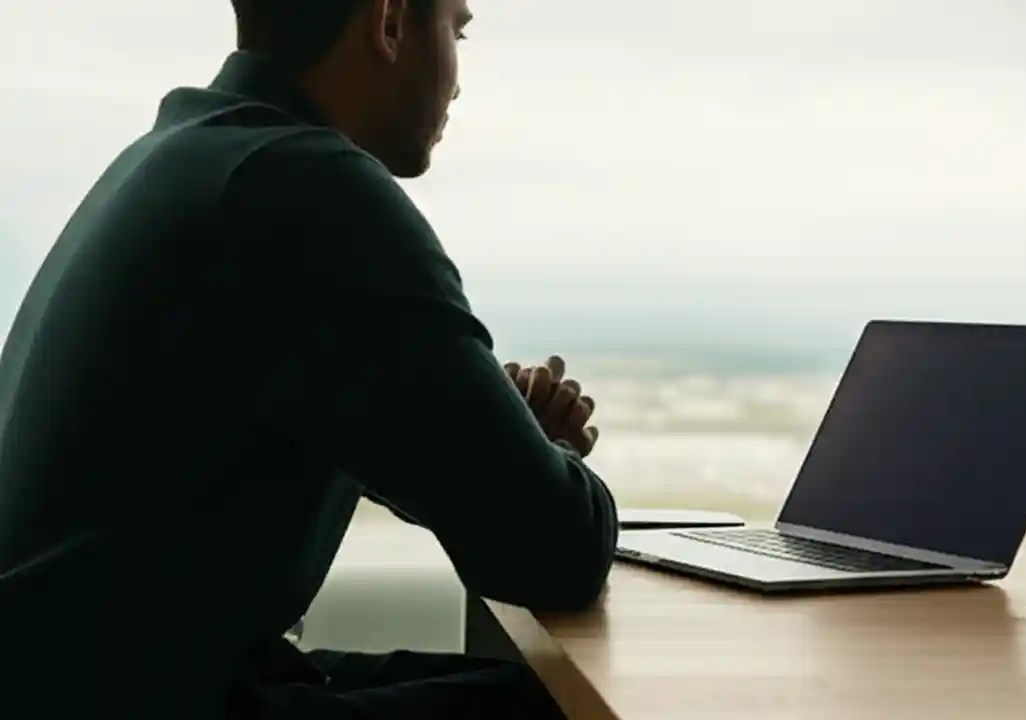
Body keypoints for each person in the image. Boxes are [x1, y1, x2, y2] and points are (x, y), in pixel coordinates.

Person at [0, 0, 617, 717]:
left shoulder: (191, 154)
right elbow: (554, 552)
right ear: (388, 23)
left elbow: (384, 435)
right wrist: (552, 465)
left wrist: (500, 436)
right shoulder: (307, 188)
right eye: (457, 29)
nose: (458, 78)